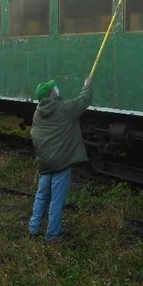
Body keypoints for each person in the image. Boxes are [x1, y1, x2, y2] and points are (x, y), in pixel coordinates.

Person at [29, 76, 93, 242]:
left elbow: (35, 135)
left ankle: (33, 229)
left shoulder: (38, 113)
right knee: (57, 201)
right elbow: (83, 101)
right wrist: (87, 85)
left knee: (42, 196)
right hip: (61, 163)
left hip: (44, 163)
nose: (56, 88)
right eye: (54, 88)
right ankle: (52, 236)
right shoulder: (63, 108)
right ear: (52, 93)